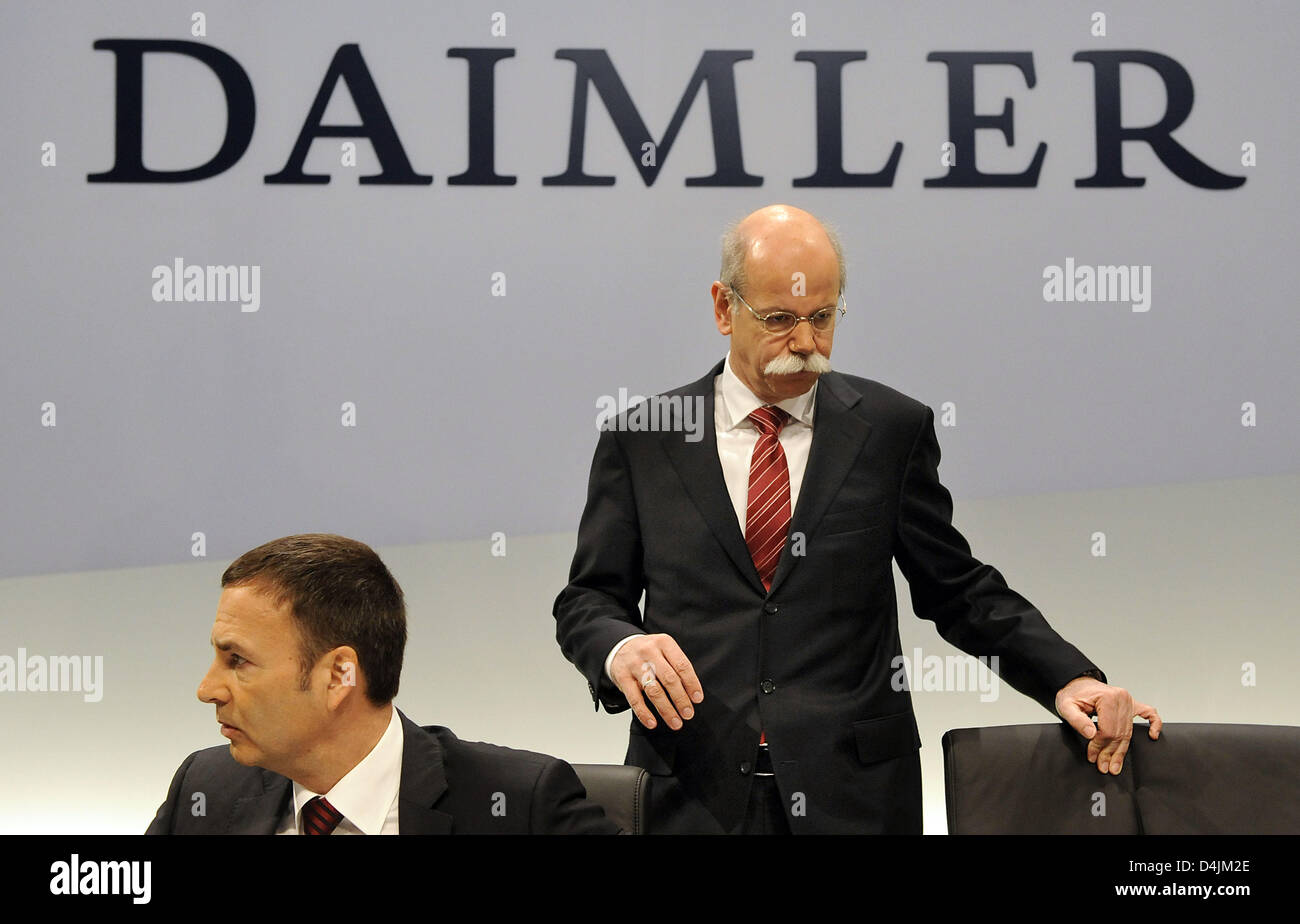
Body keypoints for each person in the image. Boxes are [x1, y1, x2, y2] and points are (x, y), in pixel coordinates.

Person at [553, 204, 1161, 834]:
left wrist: (1065, 676)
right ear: (722, 307)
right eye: (780, 320)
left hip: (857, 798)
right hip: (690, 795)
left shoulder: (890, 431)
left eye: (823, 316)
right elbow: (589, 599)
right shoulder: (644, 440)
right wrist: (621, 647)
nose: (807, 344)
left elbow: (957, 588)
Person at [148, 533, 618, 834]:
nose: (207, 688)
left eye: (237, 660)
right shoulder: (204, 793)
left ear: (338, 676)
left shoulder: (519, 805)